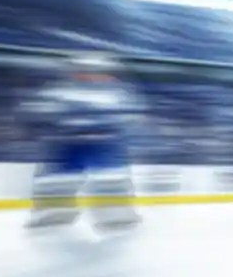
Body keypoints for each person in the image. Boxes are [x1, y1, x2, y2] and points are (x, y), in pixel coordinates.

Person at [20, 52, 144, 230]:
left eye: (97, 71)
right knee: (56, 180)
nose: (92, 75)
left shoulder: (116, 93)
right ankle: (53, 211)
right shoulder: (61, 91)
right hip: (68, 145)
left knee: (111, 179)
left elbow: (131, 118)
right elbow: (37, 112)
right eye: (85, 71)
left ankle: (115, 213)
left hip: (104, 145)